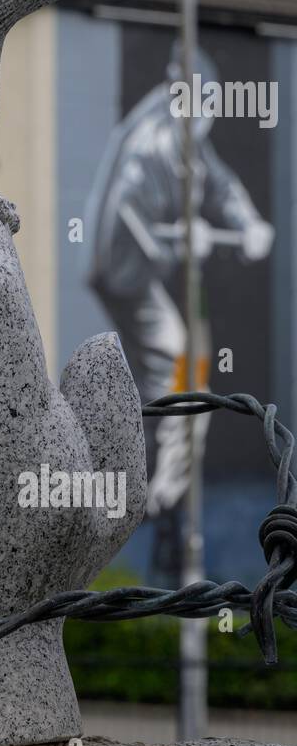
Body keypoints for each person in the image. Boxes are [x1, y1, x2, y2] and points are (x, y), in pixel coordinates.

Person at [85, 53, 274, 580]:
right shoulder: (149, 146)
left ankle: (170, 489)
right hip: (124, 268)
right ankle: (159, 496)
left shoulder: (187, 140)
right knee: (172, 351)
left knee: (191, 364)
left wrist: (247, 222)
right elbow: (135, 228)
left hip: (151, 268)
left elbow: (220, 184)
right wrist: (183, 241)